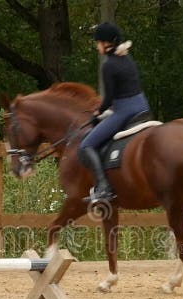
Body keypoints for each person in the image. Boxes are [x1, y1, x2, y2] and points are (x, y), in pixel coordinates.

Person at [78, 22, 150, 205]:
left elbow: (109, 98)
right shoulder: (127, 58)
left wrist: (97, 112)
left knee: (86, 145)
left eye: (97, 42)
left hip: (124, 111)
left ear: (105, 43)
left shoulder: (108, 65)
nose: (97, 46)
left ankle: (103, 188)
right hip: (142, 107)